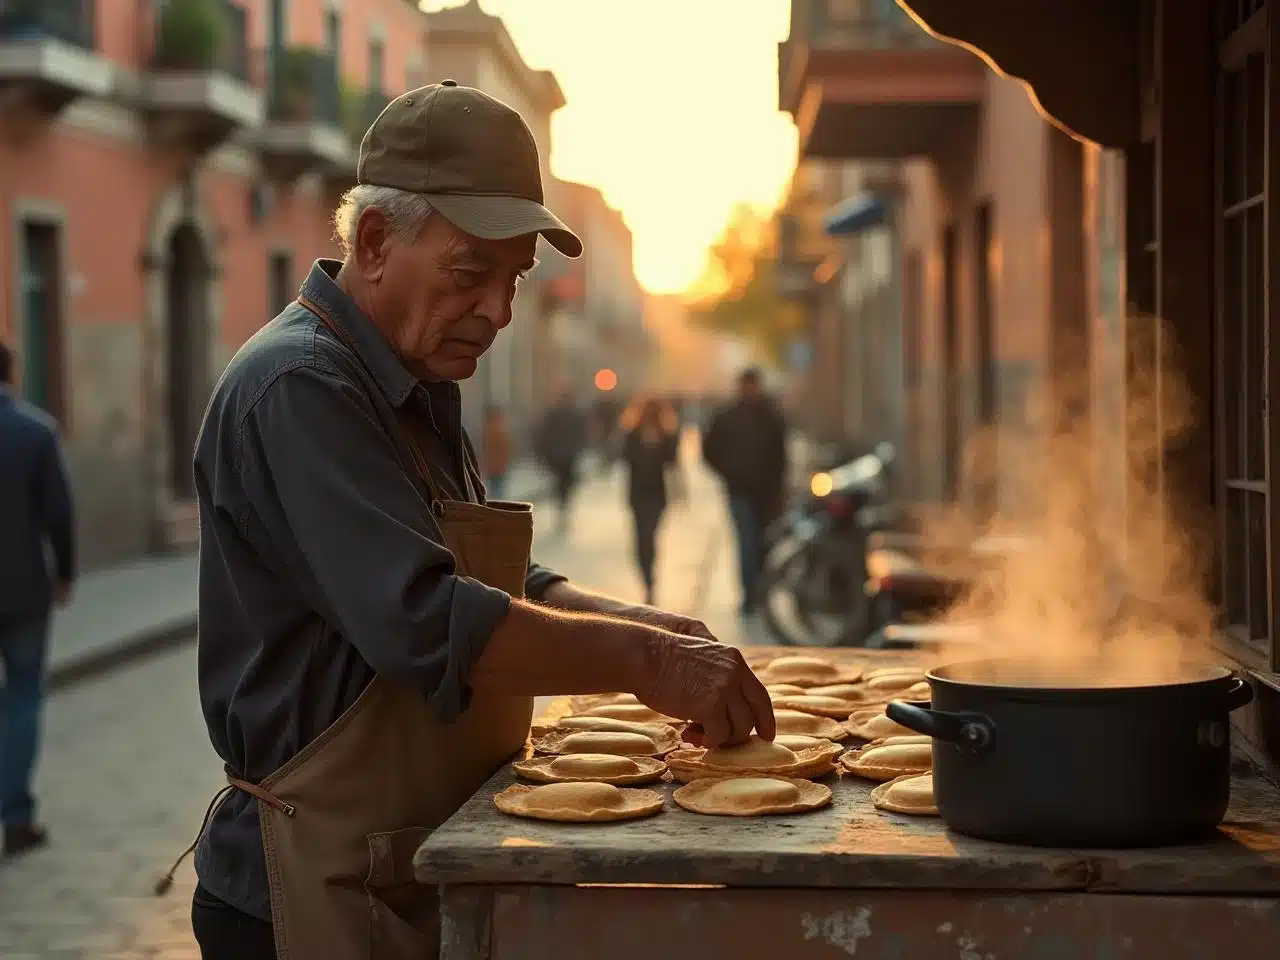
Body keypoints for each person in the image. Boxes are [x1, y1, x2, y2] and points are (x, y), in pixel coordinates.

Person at [177, 81, 774, 960]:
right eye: (470, 274)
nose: (497, 311)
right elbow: (427, 619)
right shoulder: (302, 386)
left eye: (513, 280)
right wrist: (647, 663)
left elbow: (497, 583)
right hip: (304, 889)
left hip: (402, 864)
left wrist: (652, 627)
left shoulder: (411, 379)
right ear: (374, 242)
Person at [0, 338, 75, 857]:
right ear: (11, 373)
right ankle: (16, 817)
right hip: (25, 589)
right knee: (24, 697)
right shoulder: (35, 431)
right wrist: (65, 573)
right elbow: (59, 513)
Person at [702, 367, 788, 615]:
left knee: (764, 543)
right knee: (746, 542)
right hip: (739, 491)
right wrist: (728, 473)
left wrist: (778, 484)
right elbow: (708, 450)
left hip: (767, 493)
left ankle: (760, 591)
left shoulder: (771, 417)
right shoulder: (727, 417)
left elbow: (781, 455)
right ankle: (749, 594)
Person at [619, 395, 680, 606]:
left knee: (650, 537)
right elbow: (625, 457)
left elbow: (672, 461)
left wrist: (659, 444)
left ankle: (650, 580)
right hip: (638, 495)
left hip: (656, 495)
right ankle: (646, 578)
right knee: (640, 541)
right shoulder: (633, 434)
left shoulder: (665, 435)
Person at [534, 389, 587, 534]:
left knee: (563, 484)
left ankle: (563, 506)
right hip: (563, 457)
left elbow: (580, 435)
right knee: (564, 485)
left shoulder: (564, 415)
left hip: (563, 457)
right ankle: (563, 506)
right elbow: (545, 435)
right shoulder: (559, 415)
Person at [481, 405, 511, 499]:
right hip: (498, 466)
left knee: (495, 490)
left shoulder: (487, 430)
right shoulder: (500, 429)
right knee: (498, 490)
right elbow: (505, 448)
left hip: (492, 466)